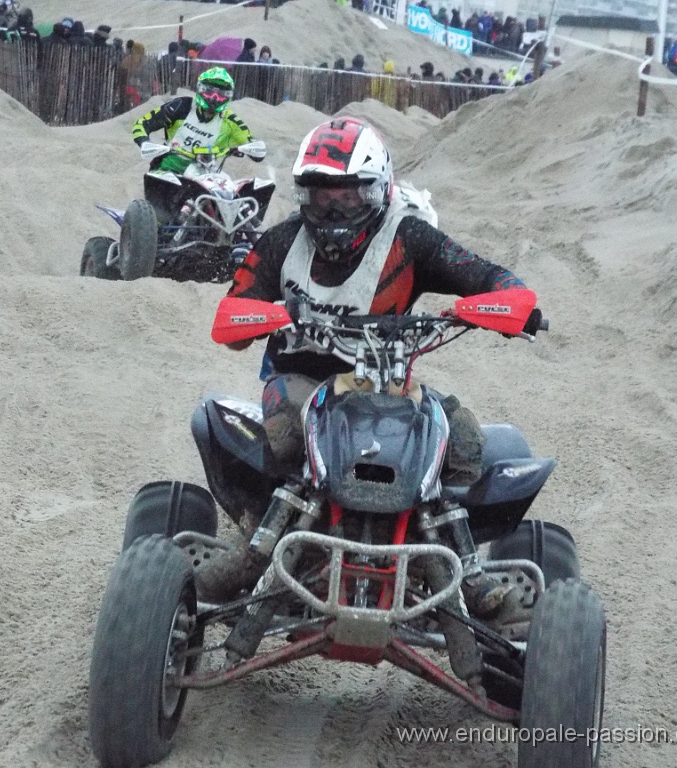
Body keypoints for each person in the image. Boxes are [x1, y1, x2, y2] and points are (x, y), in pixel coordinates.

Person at [195, 117, 533, 611]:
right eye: (320, 194)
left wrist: (507, 301)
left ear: (379, 189)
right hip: (300, 380)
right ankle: (255, 548)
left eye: (349, 195)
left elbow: (485, 273)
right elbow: (228, 320)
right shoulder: (280, 242)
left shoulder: (408, 237)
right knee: (287, 438)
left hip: (388, 387)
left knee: (463, 439)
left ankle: (462, 568)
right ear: (302, 194)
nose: (333, 207)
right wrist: (268, 314)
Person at [130, 66, 263, 234]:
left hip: (208, 175)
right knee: (158, 219)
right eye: (209, 92)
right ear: (200, 90)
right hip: (170, 170)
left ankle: (246, 237)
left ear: (228, 97)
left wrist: (253, 149)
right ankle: (151, 238)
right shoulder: (181, 106)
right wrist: (145, 143)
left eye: (221, 94)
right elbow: (142, 124)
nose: (214, 98)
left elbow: (251, 142)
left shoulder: (231, 121)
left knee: (234, 194)